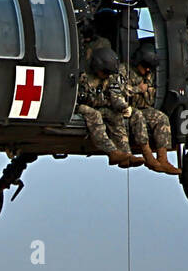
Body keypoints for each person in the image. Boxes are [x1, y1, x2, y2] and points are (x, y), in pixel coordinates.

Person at [77, 47, 140, 167]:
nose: (106, 76)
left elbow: (115, 95)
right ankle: (111, 151)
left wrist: (124, 107)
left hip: (99, 106)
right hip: (79, 107)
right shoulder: (83, 77)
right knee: (94, 115)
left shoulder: (109, 79)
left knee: (115, 115)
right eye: (104, 72)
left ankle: (126, 154)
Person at [125, 46, 181, 175]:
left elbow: (151, 98)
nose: (147, 70)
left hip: (144, 108)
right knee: (137, 115)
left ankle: (163, 159)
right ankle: (148, 156)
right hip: (126, 109)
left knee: (161, 118)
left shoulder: (150, 75)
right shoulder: (125, 71)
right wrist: (138, 89)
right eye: (145, 67)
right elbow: (119, 91)